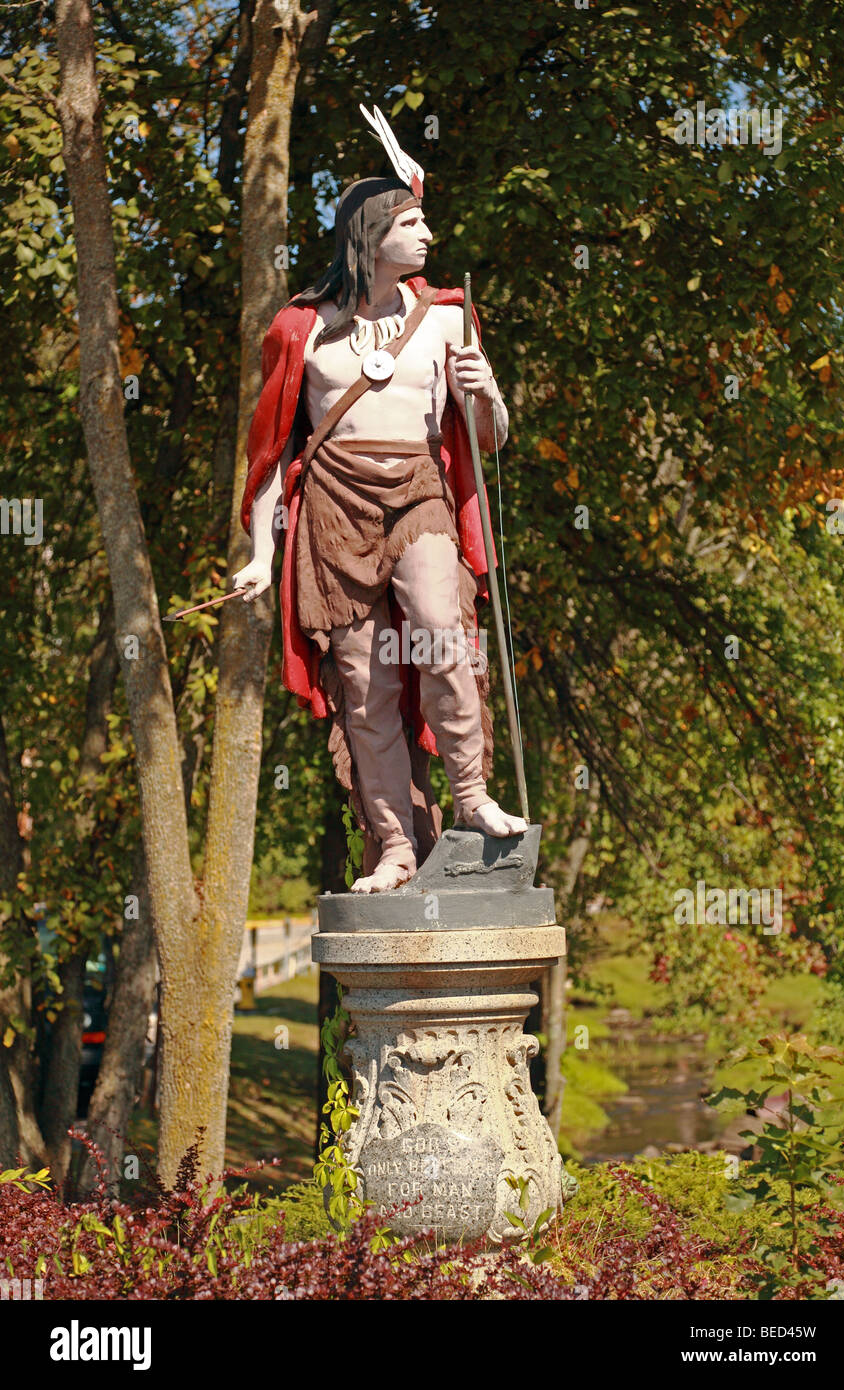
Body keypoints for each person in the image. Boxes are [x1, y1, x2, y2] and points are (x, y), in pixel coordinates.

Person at [234, 110, 527, 892]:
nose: (428, 233)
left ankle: (472, 797)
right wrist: (262, 554)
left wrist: (488, 393)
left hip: (419, 495)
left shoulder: (447, 318)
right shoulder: (305, 329)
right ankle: (397, 845)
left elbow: (490, 437)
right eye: (412, 220)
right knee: (366, 685)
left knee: (438, 635)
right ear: (370, 235)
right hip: (334, 510)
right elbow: (272, 454)